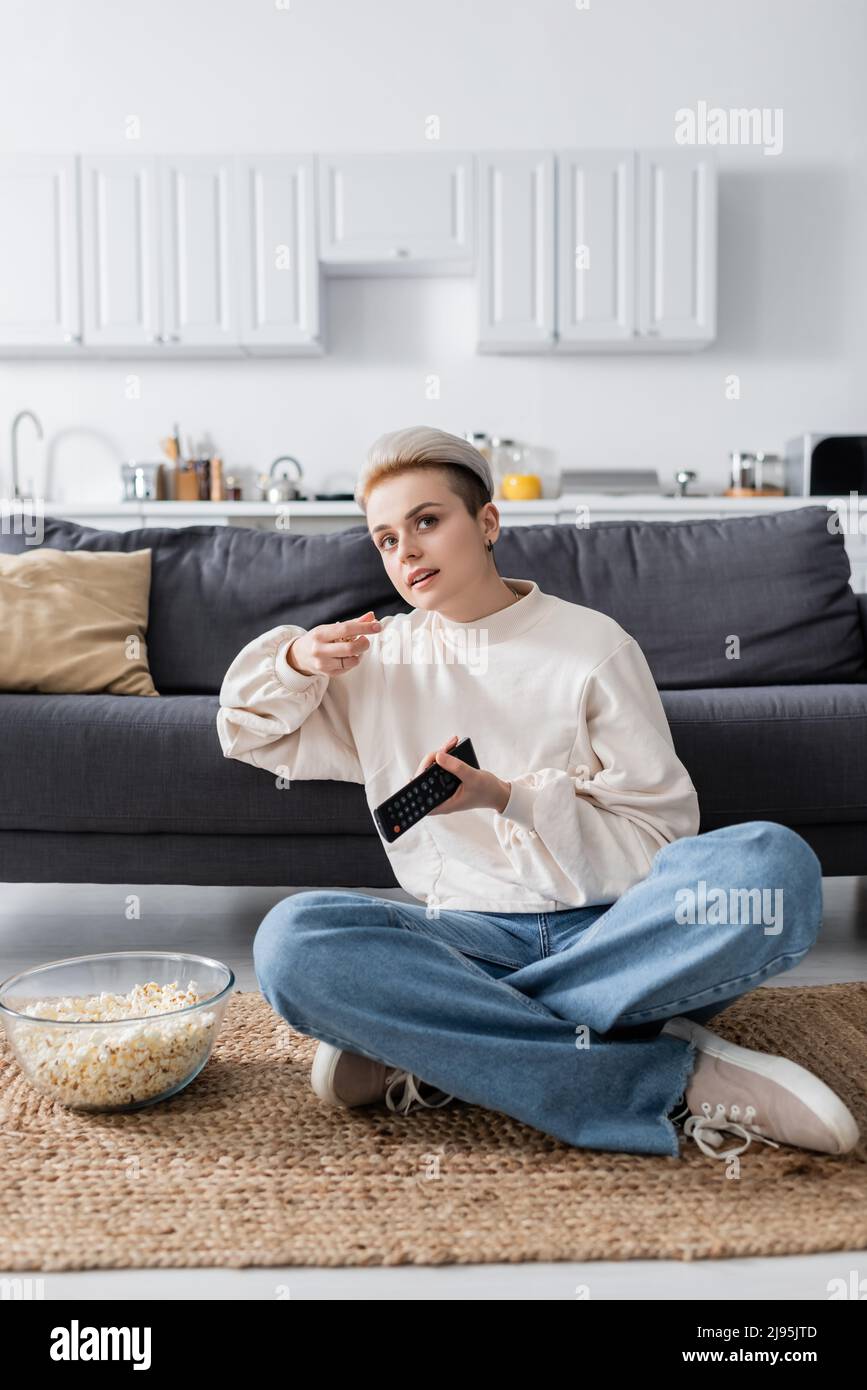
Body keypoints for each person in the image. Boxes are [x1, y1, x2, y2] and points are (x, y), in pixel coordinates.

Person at [216, 426, 859, 1161]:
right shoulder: (378, 658)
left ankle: (444, 1044)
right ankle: (664, 1071)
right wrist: (296, 658)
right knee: (294, 943)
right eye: (386, 539)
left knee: (769, 871)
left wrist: (508, 798)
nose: (408, 552)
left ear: (486, 523)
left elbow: (659, 844)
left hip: (616, 932)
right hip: (464, 942)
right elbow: (246, 732)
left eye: (427, 521)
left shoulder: (593, 647)